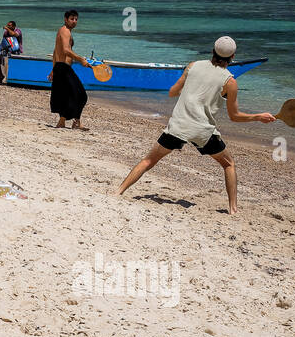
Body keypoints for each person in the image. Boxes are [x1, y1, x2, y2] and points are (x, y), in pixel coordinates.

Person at [118, 37, 276, 214]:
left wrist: (187, 91)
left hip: (178, 125)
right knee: (229, 164)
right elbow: (235, 116)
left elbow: (173, 91)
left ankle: (119, 191)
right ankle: (233, 209)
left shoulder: (193, 66)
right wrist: (258, 116)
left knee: (148, 160)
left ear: (213, 51)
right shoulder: (230, 82)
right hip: (202, 132)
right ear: (232, 57)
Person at [50, 9, 90, 130]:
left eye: (76, 19)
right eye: (72, 19)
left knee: (67, 95)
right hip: (63, 68)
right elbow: (66, 50)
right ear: (65, 19)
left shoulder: (63, 31)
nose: (74, 21)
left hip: (61, 67)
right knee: (81, 94)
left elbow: (55, 51)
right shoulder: (65, 31)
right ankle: (72, 122)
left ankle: (65, 122)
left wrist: (53, 69)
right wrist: (81, 59)